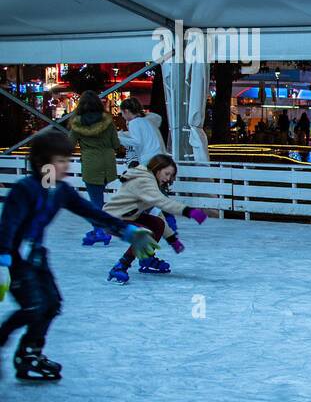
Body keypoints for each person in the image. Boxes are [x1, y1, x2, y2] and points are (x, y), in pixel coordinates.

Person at [0, 128, 157, 379]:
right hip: (15, 259)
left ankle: (30, 353)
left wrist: (127, 231)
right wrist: (4, 260)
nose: (66, 165)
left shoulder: (60, 191)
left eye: (67, 159)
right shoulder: (25, 189)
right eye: (60, 160)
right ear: (42, 162)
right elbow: (7, 225)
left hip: (36, 258)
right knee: (34, 306)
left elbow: (93, 213)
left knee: (51, 304)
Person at [102, 154, 210, 284]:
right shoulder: (144, 181)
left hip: (128, 216)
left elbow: (157, 213)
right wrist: (189, 211)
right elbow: (162, 202)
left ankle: (146, 258)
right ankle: (120, 266)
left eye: (171, 175)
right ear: (157, 169)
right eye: (166, 174)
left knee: (158, 224)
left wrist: (172, 239)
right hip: (112, 218)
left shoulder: (151, 181)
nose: (168, 178)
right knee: (143, 234)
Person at [68, 92, 122, 247]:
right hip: (107, 162)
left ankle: (100, 230)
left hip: (91, 163)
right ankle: (101, 229)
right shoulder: (108, 121)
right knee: (99, 199)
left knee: (95, 201)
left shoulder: (77, 124)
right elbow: (115, 143)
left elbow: (69, 145)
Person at [118, 97, 166, 168]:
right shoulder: (146, 121)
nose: (122, 115)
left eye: (122, 112)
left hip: (149, 159)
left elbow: (137, 142)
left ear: (126, 111)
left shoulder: (134, 123)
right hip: (158, 156)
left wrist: (118, 139)